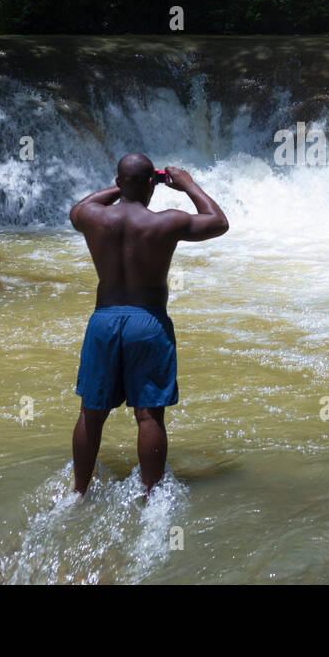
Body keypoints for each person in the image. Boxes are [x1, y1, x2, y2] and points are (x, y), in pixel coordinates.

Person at [68, 153, 229, 497]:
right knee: (148, 417)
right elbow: (218, 221)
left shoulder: (93, 217)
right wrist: (186, 184)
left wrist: (122, 186)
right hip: (148, 322)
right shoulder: (165, 222)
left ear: (118, 182)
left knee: (90, 414)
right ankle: (150, 495)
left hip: (104, 321)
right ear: (151, 185)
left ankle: (78, 492)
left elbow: (78, 208)